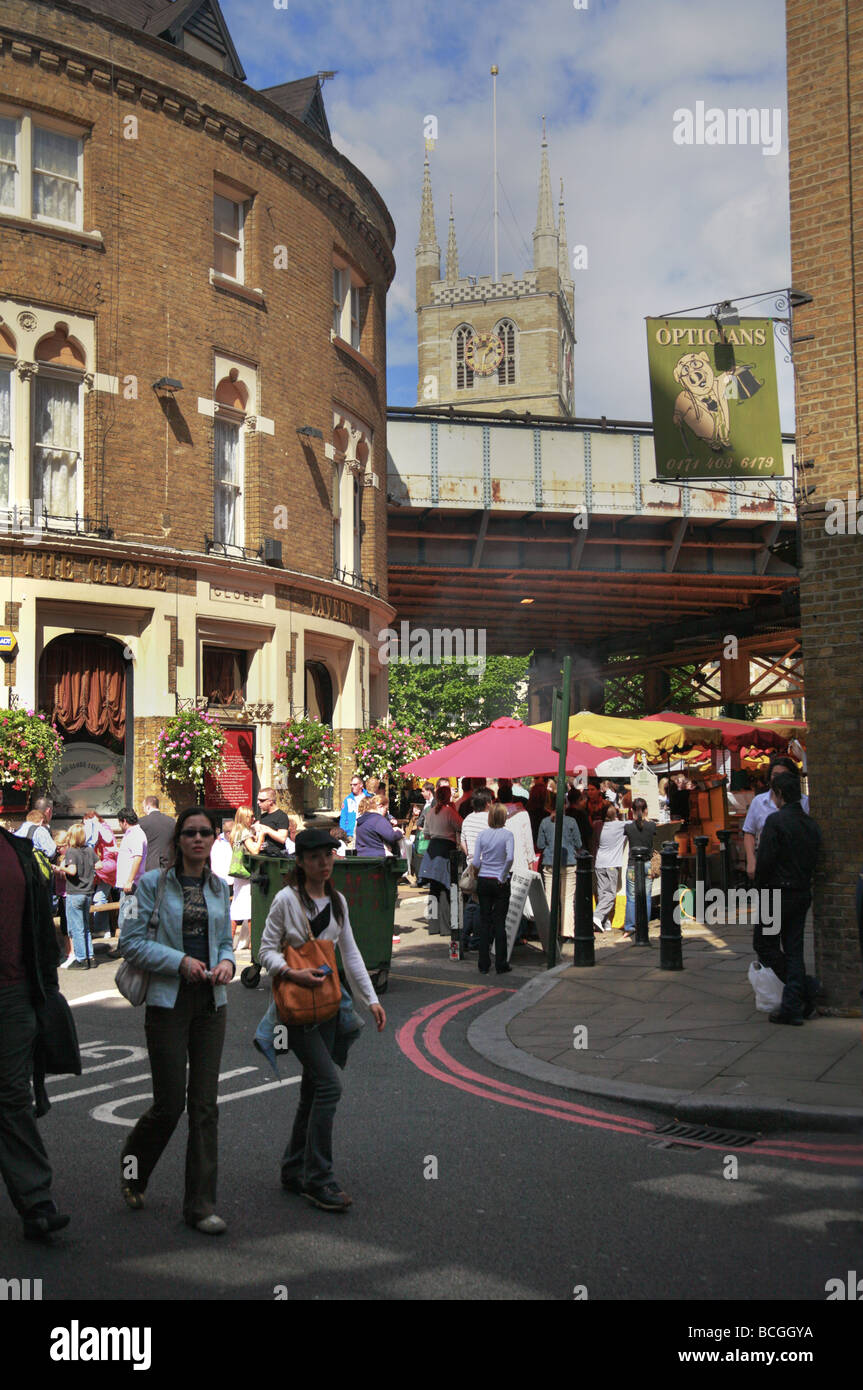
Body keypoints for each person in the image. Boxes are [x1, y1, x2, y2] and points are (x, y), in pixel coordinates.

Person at [119, 806, 234, 1234]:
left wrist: (226, 963)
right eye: (191, 832)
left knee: (204, 1107)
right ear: (178, 840)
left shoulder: (220, 888)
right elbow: (130, 944)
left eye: (206, 832)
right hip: (168, 1003)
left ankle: (200, 1207)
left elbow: (225, 941)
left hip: (211, 1003)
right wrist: (180, 960)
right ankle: (133, 1169)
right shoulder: (148, 886)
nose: (199, 839)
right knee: (169, 1105)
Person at [258, 827, 386, 1212]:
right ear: (300, 862)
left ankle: (293, 1168)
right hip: (296, 1008)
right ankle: (319, 1178)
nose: (324, 862)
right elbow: (265, 951)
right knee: (330, 1086)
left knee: (312, 1090)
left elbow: (352, 954)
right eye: (315, 857)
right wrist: (291, 972)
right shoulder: (285, 901)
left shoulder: (339, 902)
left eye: (328, 855)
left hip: (329, 1007)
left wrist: (371, 1000)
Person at [0, 821, 71, 1241]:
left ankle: (35, 1200)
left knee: (12, 1096)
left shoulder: (19, 851)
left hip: (14, 992)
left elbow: (39, 920)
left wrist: (46, 983)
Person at [753, 772, 821, 1025]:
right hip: (801, 892)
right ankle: (794, 1003)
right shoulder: (811, 825)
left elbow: (766, 860)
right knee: (793, 949)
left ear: (779, 795)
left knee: (764, 945)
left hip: (776, 892)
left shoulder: (776, 822)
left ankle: (806, 988)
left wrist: (759, 888)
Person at [743, 754, 811, 880]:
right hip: (766, 864)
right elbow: (749, 832)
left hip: (795, 867)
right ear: (769, 778)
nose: (778, 779)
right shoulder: (758, 802)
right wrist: (751, 860)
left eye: (783, 775)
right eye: (775, 775)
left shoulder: (804, 802)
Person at [471, 803, 514, 975]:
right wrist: (502, 875)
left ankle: (483, 963)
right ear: (504, 817)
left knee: (484, 920)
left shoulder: (482, 835)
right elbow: (510, 857)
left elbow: (475, 861)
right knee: (499, 923)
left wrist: (480, 871)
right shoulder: (508, 835)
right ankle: (501, 964)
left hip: (484, 879)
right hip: (500, 881)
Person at [418, 781, 462, 935]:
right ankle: (445, 927)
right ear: (448, 796)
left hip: (432, 849)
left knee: (434, 888)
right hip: (445, 849)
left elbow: (426, 834)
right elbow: (461, 826)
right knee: (445, 887)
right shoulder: (450, 812)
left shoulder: (430, 812)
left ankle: (433, 926)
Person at [537, 805, 582, 939]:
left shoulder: (545, 822)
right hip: (569, 862)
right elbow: (578, 844)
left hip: (550, 862)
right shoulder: (571, 821)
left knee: (550, 898)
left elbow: (540, 844)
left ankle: (550, 931)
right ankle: (567, 932)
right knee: (567, 899)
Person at [460, 788, 494, 954]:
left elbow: (463, 843)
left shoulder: (467, 819)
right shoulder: (490, 819)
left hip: (472, 865)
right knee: (483, 903)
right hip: (487, 866)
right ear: (488, 803)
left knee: (472, 903)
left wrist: (470, 857)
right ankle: (477, 940)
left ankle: (464, 938)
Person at [61, 822, 98, 970]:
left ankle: (81, 959)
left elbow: (72, 871)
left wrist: (60, 867)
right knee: (86, 927)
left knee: (77, 928)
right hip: (88, 892)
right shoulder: (89, 850)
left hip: (75, 893)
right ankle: (91, 957)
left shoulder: (71, 852)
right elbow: (99, 865)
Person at [622, 798, 656, 938]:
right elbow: (648, 826)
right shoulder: (652, 826)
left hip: (632, 865)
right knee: (646, 896)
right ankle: (644, 924)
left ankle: (630, 926)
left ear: (632, 811)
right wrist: (646, 816)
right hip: (647, 864)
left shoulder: (628, 827)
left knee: (631, 897)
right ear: (646, 809)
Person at [592, 803, 626, 932]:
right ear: (615, 815)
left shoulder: (597, 825)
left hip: (599, 862)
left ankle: (604, 922)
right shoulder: (620, 825)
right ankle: (597, 916)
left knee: (602, 892)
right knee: (611, 894)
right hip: (612, 863)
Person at [228, 806, 257, 953]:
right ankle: (254, 942)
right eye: (250, 816)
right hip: (246, 874)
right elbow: (255, 850)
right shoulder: (245, 832)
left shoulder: (235, 832)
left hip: (239, 875)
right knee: (249, 909)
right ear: (244, 817)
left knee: (237, 907)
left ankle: (229, 941)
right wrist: (261, 835)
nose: (253, 819)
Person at [355, 794, 407, 859]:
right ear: (380, 806)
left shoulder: (362, 820)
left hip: (361, 856)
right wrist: (399, 833)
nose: (386, 812)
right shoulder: (378, 819)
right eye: (386, 809)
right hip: (378, 858)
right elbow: (391, 837)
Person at [116, 808, 148, 896]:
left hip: (131, 885)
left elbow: (137, 858)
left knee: (128, 909)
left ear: (124, 821)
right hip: (128, 884)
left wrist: (129, 881)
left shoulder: (135, 834)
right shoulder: (131, 833)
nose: (119, 826)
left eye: (119, 823)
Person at [140, 795, 177, 872]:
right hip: (168, 865)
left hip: (149, 866)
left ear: (148, 807)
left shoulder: (141, 823)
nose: (144, 810)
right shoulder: (172, 822)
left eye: (143, 808)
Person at [253, 788, 291, 856]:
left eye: (261, 800)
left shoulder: (281, 816)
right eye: (258, 800)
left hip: (275, 856)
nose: (258, 803)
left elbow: (282, 838)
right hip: (262, 854)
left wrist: (267, 829)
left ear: (270, 801)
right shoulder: (263, 816)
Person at [339, 774, 370, 841]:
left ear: (361, 785)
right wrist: (343, 833)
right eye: (351, 785)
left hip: (366, 834)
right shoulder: (347, 800)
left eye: (355, 784)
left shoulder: (369, 798)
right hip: (351, 835)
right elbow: (343, 818)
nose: (352, 786)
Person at [209, 818, 235, 882]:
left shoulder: (215, 842)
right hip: (225, 881)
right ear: (228, 833)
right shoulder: (217, 843)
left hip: (219, 880)